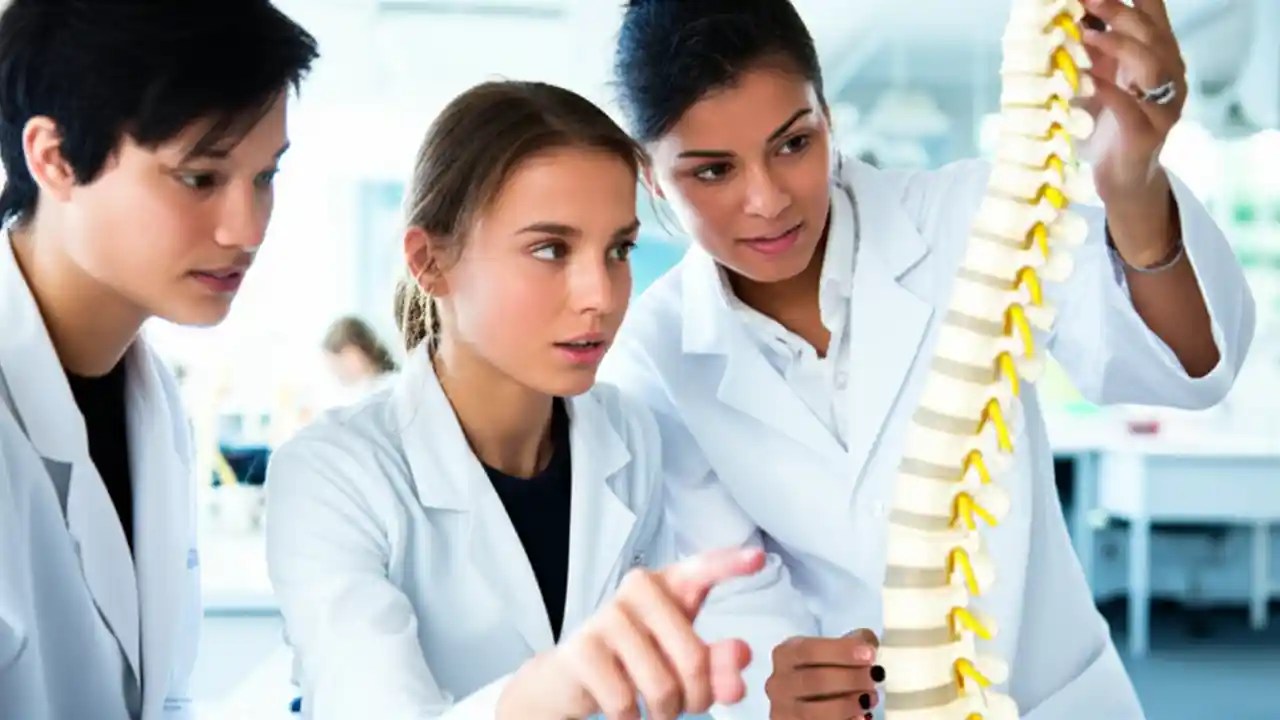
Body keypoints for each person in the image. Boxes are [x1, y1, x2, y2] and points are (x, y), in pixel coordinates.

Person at [600, 0, 1255, 718]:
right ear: (652, 176)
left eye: (793, 143)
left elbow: (1186, 365)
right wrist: (775, 690)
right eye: (712, 171)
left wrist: (1132, 183)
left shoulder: (967, 216)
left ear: (828, 116)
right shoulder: (657, 361)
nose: (767, 200)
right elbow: (733, 601)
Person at [265, 80, 786, 720]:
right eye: (550, 249)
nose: (601, 293)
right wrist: (549, 690)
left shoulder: (632, 436)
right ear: (430, 262)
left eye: (619, 249)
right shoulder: (330, 473)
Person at [0, 2, 318, 718]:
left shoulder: (151, 404)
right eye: (200, 178)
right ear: (52, 158)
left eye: (265, 175)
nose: (248, 229)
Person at [320, 314, 400, 403]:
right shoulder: (350, 394)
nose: (338, 368)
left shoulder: (392, 387)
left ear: (362, 349)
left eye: (343, 357)